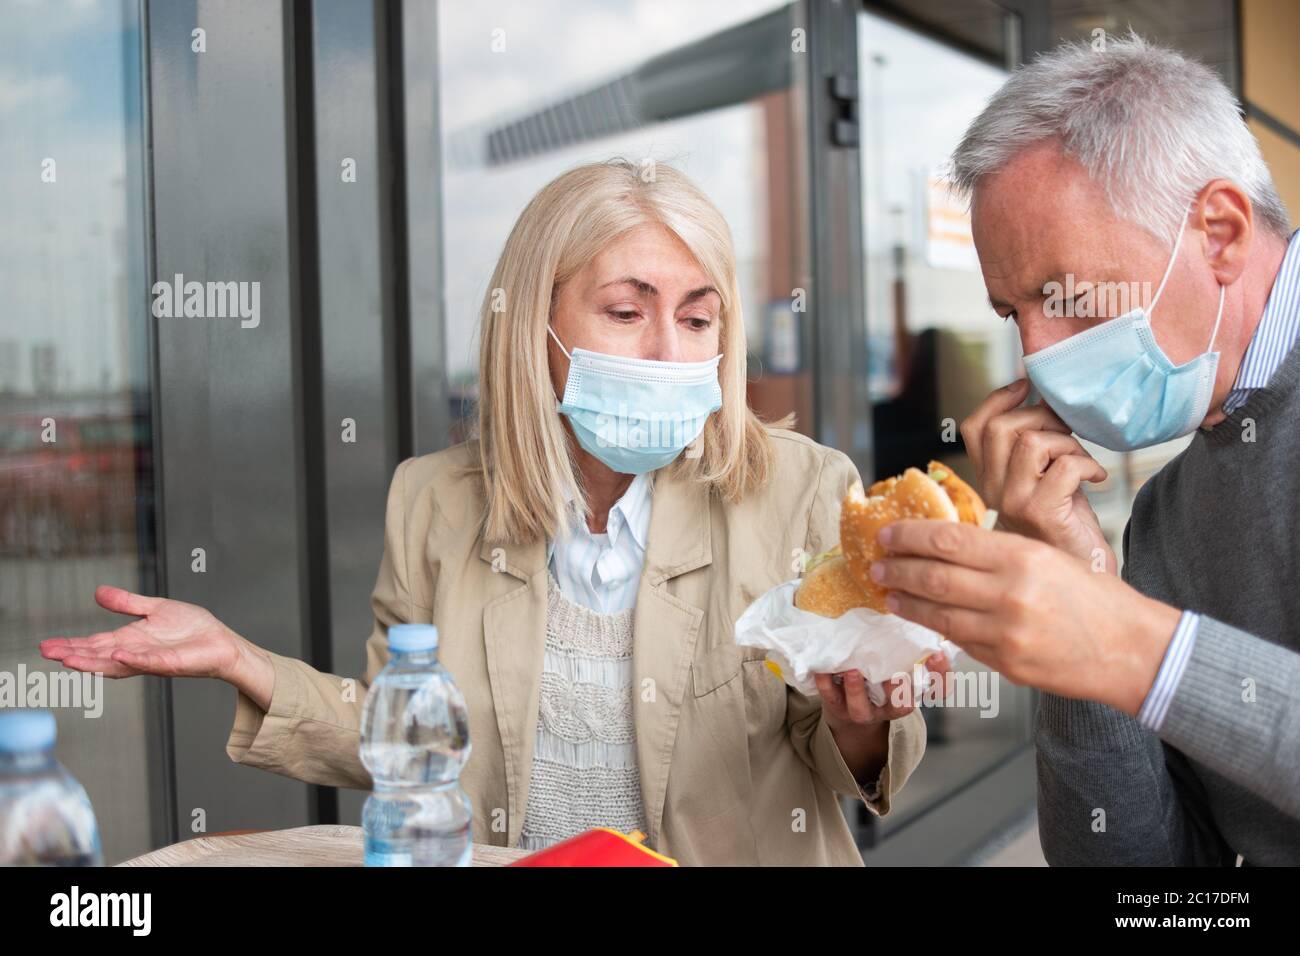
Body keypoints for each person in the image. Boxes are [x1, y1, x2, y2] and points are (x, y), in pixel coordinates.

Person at [41, 159, 936, 866]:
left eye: (699, 321)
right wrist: (241, 662)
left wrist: (862, 718)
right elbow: (408, 741)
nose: (668, 352)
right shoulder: (433, 501)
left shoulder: (803, 490)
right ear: (532, 326)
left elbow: (846, 761)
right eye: (626, 311)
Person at [868, 34, 1300, 865]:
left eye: (1064, 295)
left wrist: (1136, 646)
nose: (1036, 354)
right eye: (1012, 313)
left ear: (1218, 232)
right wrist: (1078, 595)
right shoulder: (1168, 515)